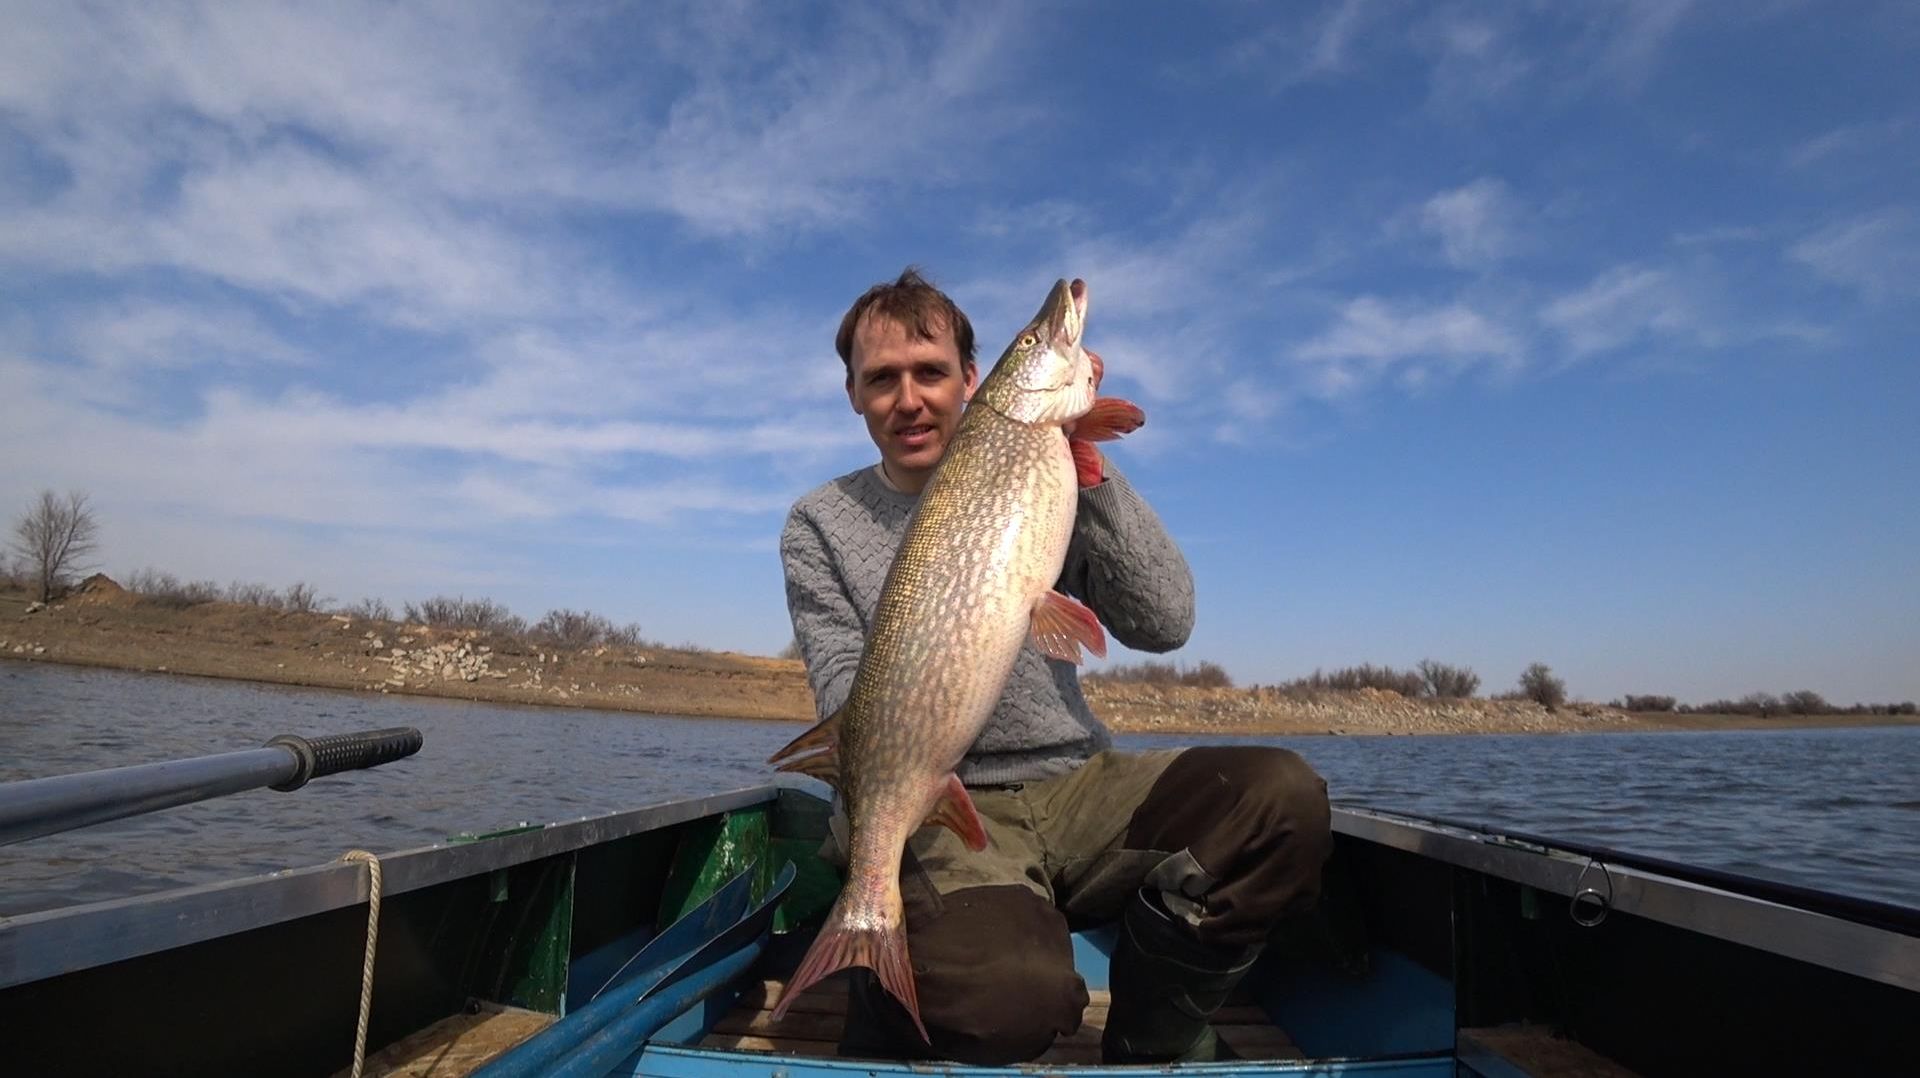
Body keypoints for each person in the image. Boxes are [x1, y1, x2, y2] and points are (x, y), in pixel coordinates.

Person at [778, 267, 1333, 1066]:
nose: (910, 399)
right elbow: (839, 686)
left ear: (973, 380)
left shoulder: (1048, 472)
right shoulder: (818, 523)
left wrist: (1092, 482)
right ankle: (885, 952)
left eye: (931, 372)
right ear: (853, 394)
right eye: (882, 379)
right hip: (953, 807)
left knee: (1282, 799)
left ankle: (1155, 1029)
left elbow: (1165, 620)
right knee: (1010, 1002)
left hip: (1079, 786)